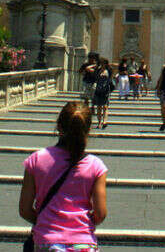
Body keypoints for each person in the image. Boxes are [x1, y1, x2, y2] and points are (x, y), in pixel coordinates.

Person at [20, 102, 108, 251]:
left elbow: (25, 209)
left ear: (59, 127)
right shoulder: (96, 166)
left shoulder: (36, 160)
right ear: (88, 130)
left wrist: (45, 220)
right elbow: (100, 213)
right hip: (83, 242)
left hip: (46, 241)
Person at [92, 58, 113, 129]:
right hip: (98, 90)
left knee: (105, 107)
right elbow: (94, 78)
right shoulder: (97, 70)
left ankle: (104, 121)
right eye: (101, 63)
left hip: (106, 90)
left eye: (103, 63)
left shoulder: (109, 70)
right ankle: (99, 122)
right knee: (99, 107)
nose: (102, 65)